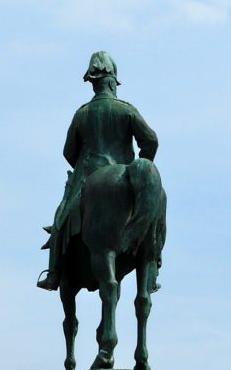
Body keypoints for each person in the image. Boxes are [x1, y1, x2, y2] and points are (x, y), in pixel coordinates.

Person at [37, 51, 159, 291]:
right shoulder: (127, 110)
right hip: (127, 172)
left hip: (88, 174)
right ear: (112, 81)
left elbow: (68, 152)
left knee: (60, 217)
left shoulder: (82, 114)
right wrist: (138, 171)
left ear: (94, 83)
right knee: (154, 216)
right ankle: (153, 268)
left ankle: (53, 274)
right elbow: (151, 140)